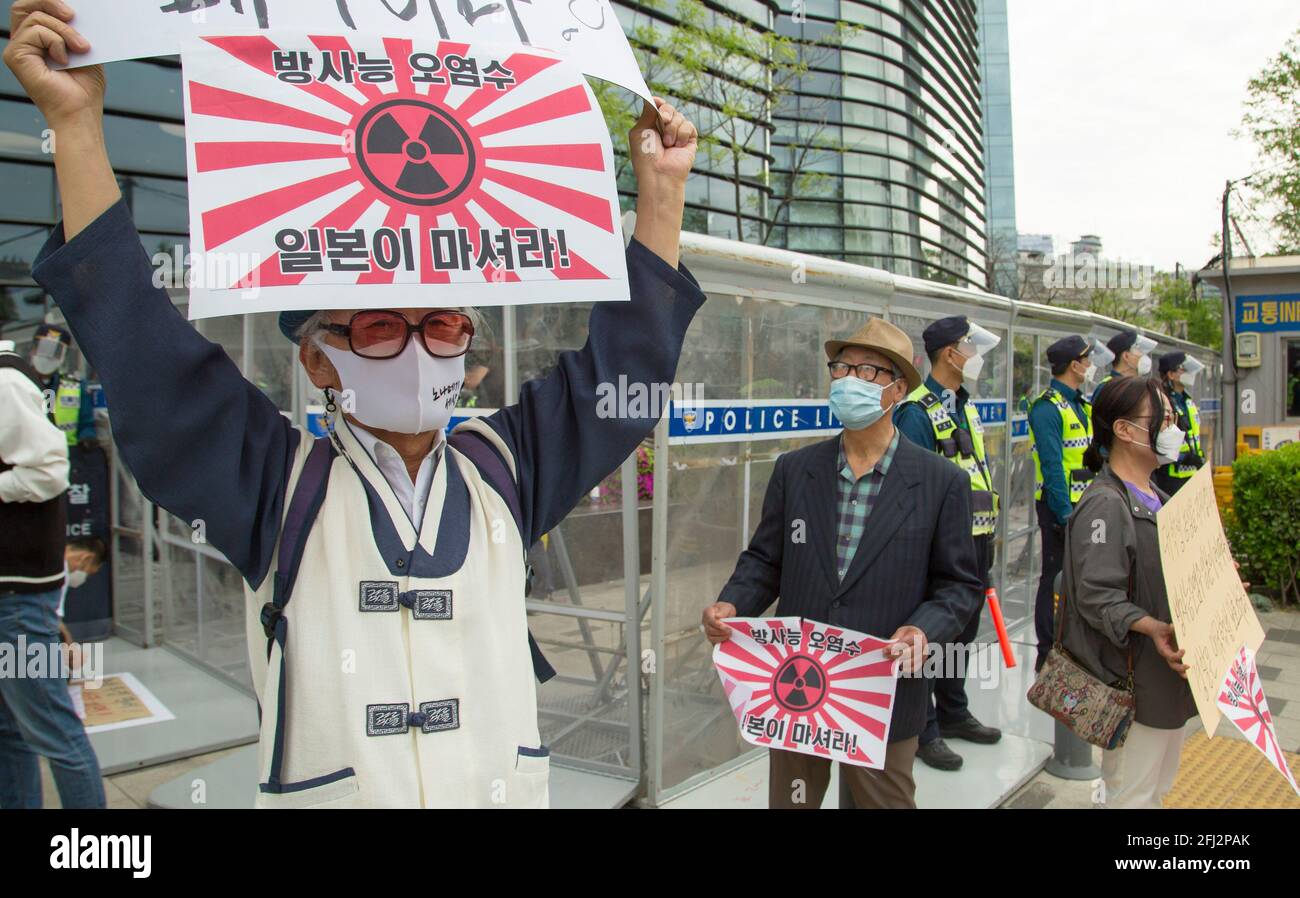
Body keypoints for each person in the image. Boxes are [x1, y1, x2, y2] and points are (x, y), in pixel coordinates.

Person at [8, 0, 703, 808]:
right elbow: (148, 361)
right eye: (378, 327)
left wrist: (660, 195)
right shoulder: (274, 484)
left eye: (441, 324)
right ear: (318, 358)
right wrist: (80, 128)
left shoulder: (506, 469)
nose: (416, 349)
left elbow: (626, 376)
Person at [701, 318, 982, 810]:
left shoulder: (940, 482)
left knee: (883, 801)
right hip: (798, 683)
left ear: (897, 389)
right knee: (794, 801)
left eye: (867, 371)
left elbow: (958, 585)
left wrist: (921, 631)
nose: (849, 379)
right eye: (841, 367)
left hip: (883, 685)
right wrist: (732, 603)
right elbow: (766, 558)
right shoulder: (796, 470)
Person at [1059, 376, 1197, 809]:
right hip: (1135, 685)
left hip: (1165, 679)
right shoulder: (1106, 504)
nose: (1171, 428)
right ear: (1124, 430)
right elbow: (1097, 597)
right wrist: (1153, 626)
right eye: (1163, 418)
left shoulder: (1156, 497)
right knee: (1130, 797)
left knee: (1155, 790)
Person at [0, 338, 106, 808]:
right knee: (10, 730)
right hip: (11, 596)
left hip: (17, 599)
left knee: (54, 732)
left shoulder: (4, 382)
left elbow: (49, 472)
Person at [894, 316, 1002, 771]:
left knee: (964, 632)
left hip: (977, 538)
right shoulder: (916, 411)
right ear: (949, 354)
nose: (976, 356)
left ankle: (954, 712)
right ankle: (925, 728)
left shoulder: (965, 405)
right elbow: (915, 489)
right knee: (933, 633)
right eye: (969, 347)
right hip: (940, 546)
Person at [1027, 335, 1093, 671]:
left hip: (1087, 506)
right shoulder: (1046, 407)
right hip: (1059, 508)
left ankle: (1072, 645)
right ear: (1073, 364)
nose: (1089, 364)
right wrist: (1065, 512)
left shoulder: (1082, 404)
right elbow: (1052, 465)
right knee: (1053, 576)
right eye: (1086, 358)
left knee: (1081, 578)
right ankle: (1046, 652)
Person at [28, 323, 97, 450]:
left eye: (55, 351)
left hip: (66, 456)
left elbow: (86, 423)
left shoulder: (75, 387)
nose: (48, 356)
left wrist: (88, 438)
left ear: (63, 357)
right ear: (33, 350)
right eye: (44, 349)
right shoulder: (17, 381)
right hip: (28, 455)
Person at [1153, 352, 1205, 496]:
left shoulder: (1188, 401)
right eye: (1184, 369)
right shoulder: (1163, 401)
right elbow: (1159, 440)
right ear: (1171, 374)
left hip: (1192, 474)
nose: (1189, 373)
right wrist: (1184, 457)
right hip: (1171, 478)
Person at [1091, 330, 1156, 404]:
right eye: (1139, 351)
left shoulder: (1135, 385)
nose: (1143, 356)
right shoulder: (1108, 388)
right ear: (1126, 356)